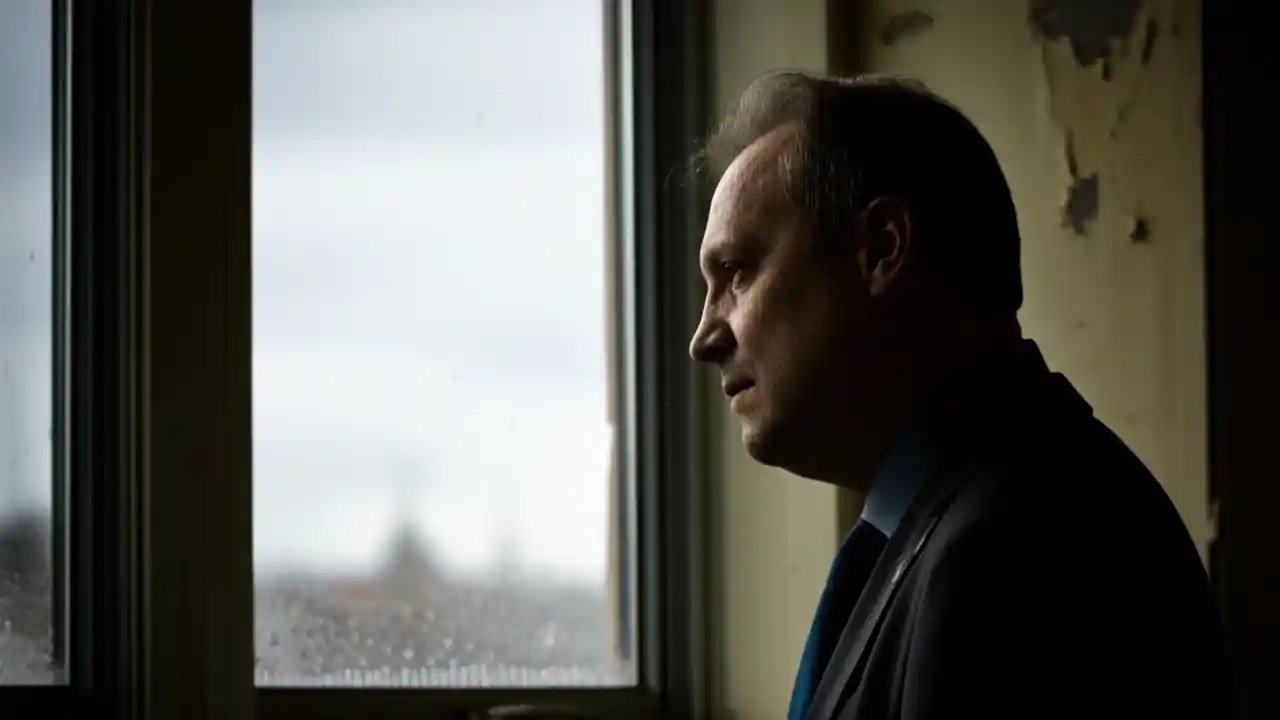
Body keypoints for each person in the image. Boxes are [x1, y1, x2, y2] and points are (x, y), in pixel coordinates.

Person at [689, 72, 1232, 720]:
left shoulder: (1015, 549)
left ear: (882, 248)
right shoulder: (986, 508)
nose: (705, 336)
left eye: (737, 273)